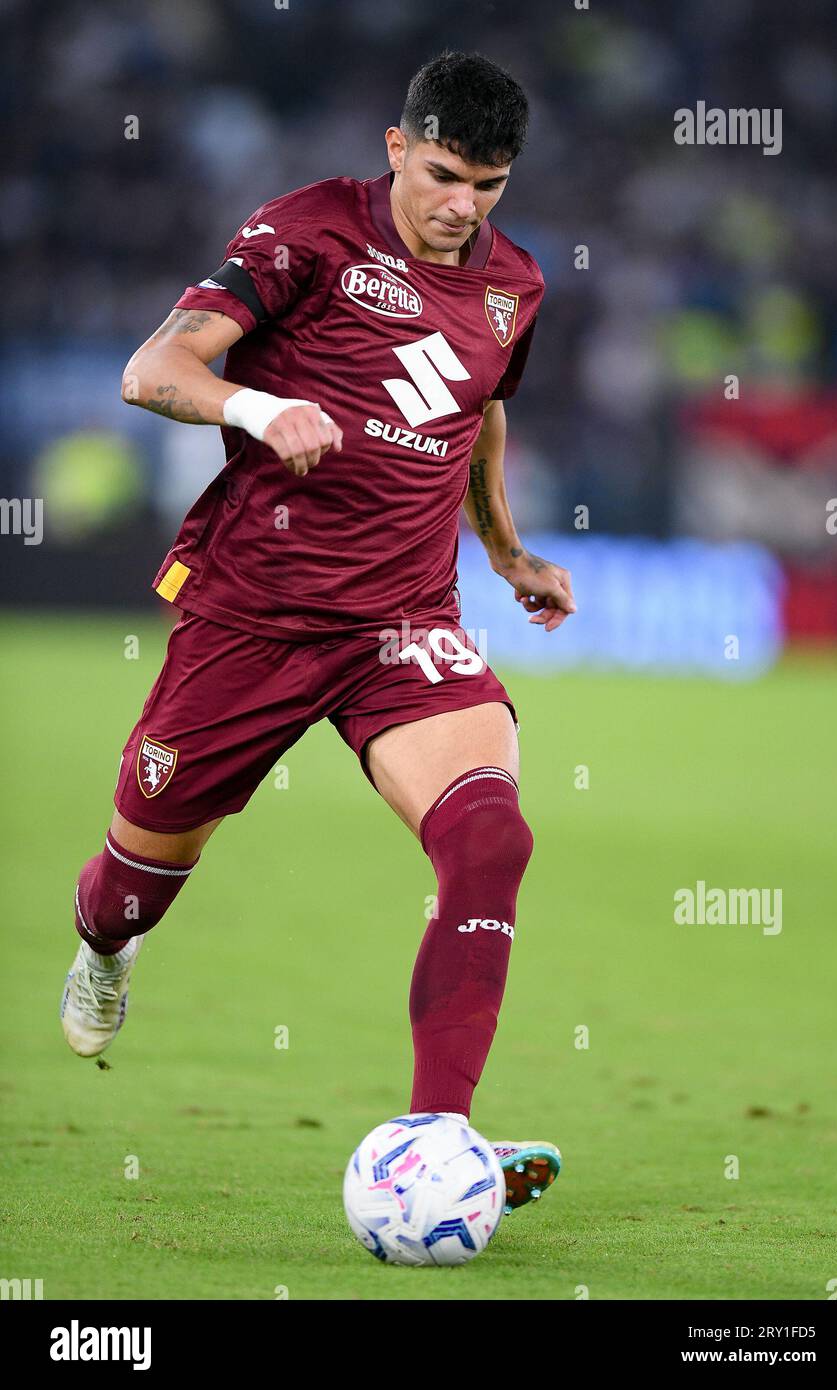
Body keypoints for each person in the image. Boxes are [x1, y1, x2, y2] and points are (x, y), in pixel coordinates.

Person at [61, 50, 574, 1214]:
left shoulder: (516, 284)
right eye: (442, 176)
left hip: (404, 622)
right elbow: (153, 369)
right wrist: (255, 404)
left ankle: (437, 1138)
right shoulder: (308, 232)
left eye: (488, 186)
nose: (462, 207)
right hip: (255, 614)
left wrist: (505, 552)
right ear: (397, 148)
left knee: (489, 838)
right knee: (133, 882)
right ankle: (104, 948)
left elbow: (480, 408)